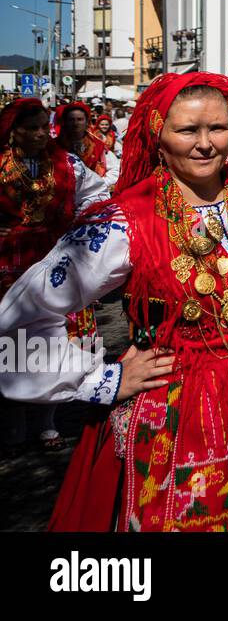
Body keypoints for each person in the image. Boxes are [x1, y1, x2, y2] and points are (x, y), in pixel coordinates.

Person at [0, 73, 228, 531]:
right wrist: (104, 380)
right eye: (187, 130)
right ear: (157, 136)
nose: (205, 144)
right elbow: (20, 318)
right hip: (177, 405)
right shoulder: (126, 220)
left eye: (217, 128)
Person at [0, 98, 109, 455]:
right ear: (12, 130)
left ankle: (48, 418)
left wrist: (79, 225)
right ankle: (14, 414)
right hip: (8, 262)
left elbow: (96, 195)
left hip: (56, 258)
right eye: (29, 128)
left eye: (43, 127)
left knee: (58, 338)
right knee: (15, 338)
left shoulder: (67, 164)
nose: (37, 135)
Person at [55, 102, 120, 189]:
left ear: (87, 122)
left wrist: (99, 183)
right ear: (65, 122)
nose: (75, 123)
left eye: (80, 119)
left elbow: (115, 169)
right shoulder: (55, 145)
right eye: (71, 119)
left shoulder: (98, 145)